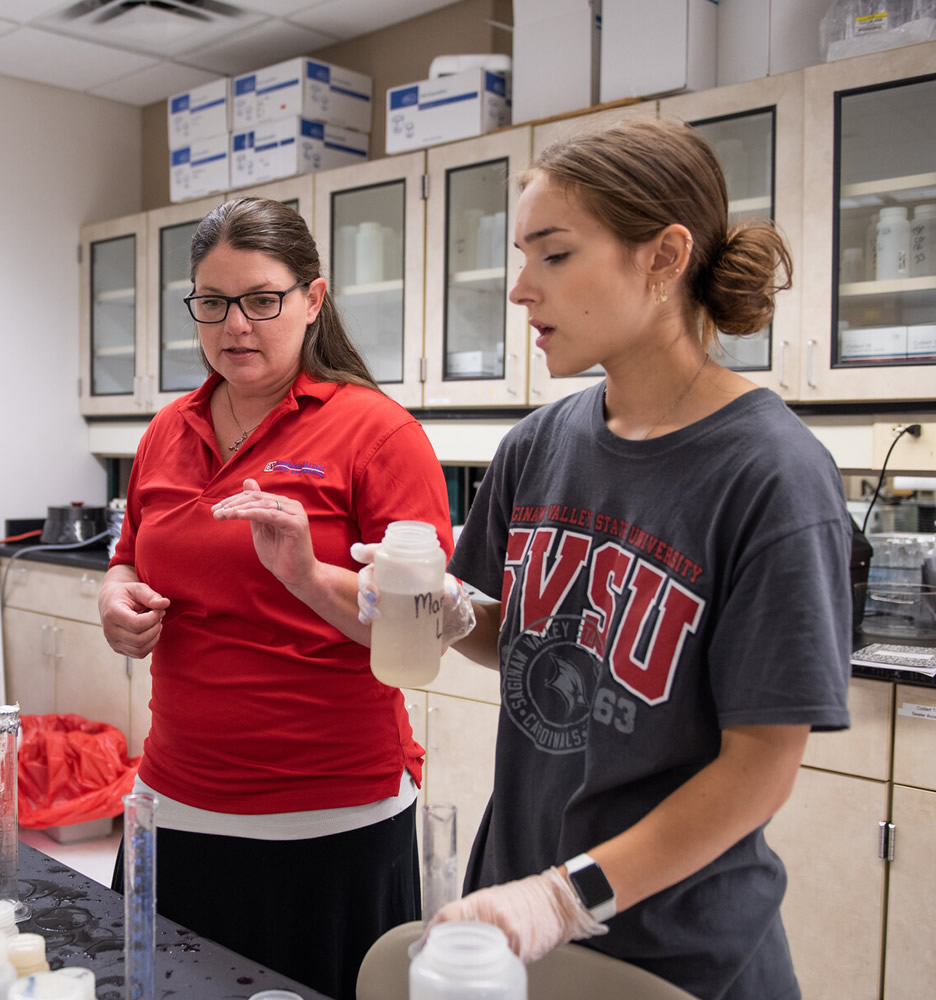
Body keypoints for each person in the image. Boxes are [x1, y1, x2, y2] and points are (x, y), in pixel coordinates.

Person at [358, 119, 852, 1000]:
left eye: (552, 255)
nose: (518, 290)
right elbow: (520, 640)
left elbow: (762, 765)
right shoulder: (537, 446)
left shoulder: (772, 474)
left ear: (663, 256)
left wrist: (567, 895)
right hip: (517, 916)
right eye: (521, 256)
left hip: (677, 953)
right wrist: (443, 610)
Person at [98, 196, 454, 1000]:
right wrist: (114, 599)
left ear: (313, 300)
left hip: (328, 823)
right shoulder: (167, 430)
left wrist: (306, 576)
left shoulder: (376, 433)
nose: (236, 326)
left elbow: (421, 640)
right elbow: (124, 560)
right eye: (213, 303)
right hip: (172, 803)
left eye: (263, 301)